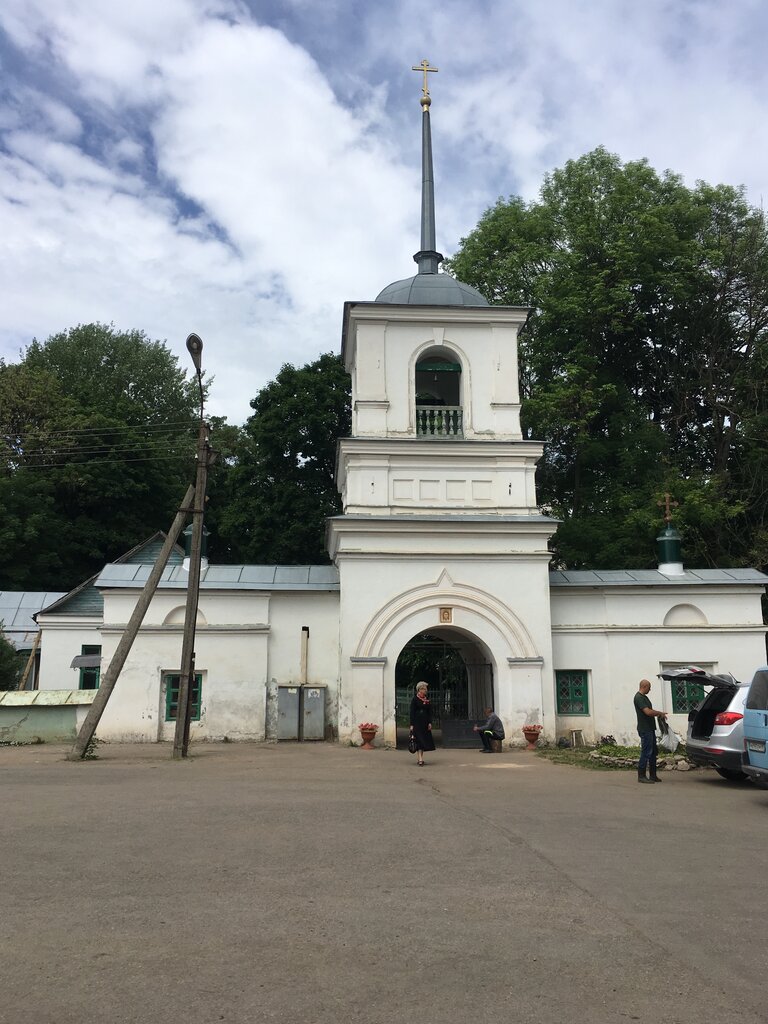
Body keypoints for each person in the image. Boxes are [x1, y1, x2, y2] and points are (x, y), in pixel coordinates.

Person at [634, 678, 667, 783]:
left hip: (650, 728)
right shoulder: (639, 698)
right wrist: (659, 713)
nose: (650, 689)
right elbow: (647, 712)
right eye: (649, 687)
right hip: (645, 729)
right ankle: (641, 776)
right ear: (644, 686)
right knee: (646, 752)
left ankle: (653, 775)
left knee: (653, 752)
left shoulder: (644, 697)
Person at [409, 681, 436, 766]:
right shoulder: (415, 699)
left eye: (426, 689)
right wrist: (412, 724)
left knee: (423, 740)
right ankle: (420, 759)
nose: (426, 690)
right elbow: (412, 712)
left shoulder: (427, 700)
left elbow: (430, 712)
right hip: (417, 723)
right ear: (419, 689)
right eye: (424, 689)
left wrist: (430, 722)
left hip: (425, 723)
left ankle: (420, 758)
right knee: (419, 740)